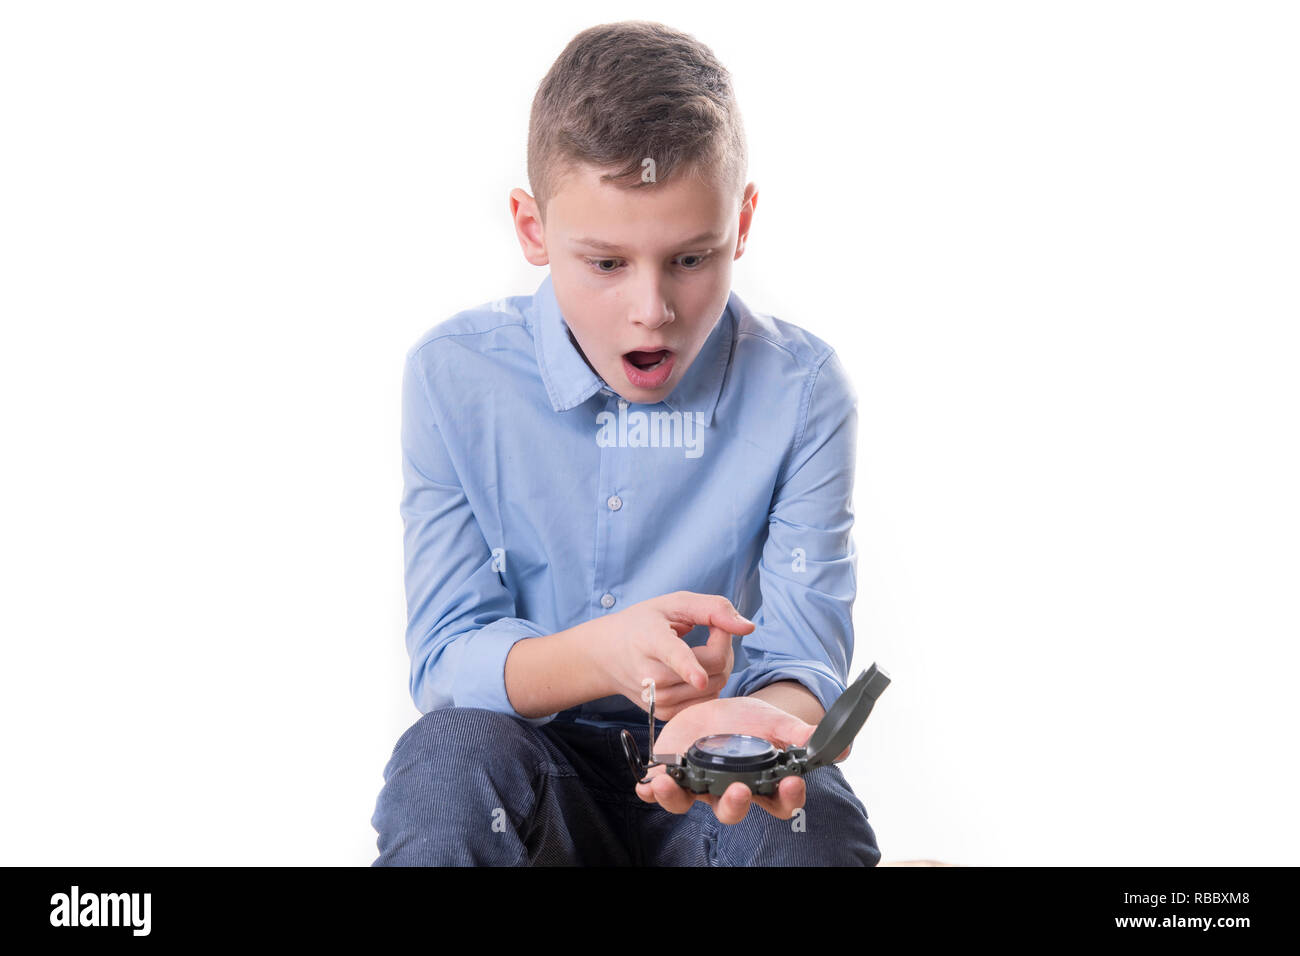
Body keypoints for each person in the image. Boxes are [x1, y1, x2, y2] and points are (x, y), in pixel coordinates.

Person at [370, 19, 881, 866]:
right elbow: (449, 654)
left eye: (691, 258)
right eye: (605, 263)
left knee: (804, 816)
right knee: (449, 762)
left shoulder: (802, 390)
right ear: (532, 231)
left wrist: (749, 722)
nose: (653, 309)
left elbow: (801, 656)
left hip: (711, 768)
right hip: (534, 762)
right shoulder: (452, 377)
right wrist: (596, 657)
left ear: (742, 221)